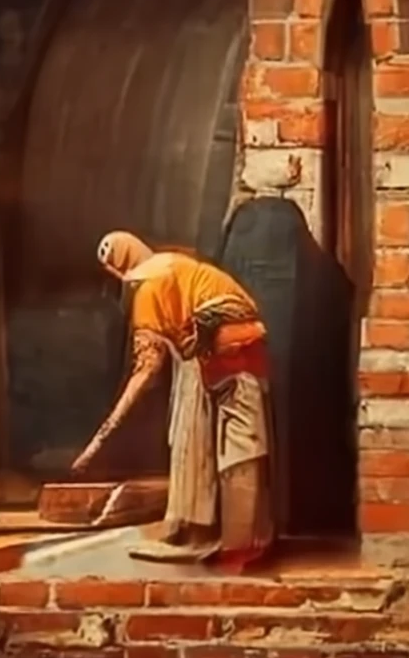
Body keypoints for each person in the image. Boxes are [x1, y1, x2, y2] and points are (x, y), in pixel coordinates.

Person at [71, 230, 275, 565]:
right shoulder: (176, 265)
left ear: (118, 269)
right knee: (242, 446)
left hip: (218, 359)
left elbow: (145, 370)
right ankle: (239, 540)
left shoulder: (150, 287)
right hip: (244, 356)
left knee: (194, 442)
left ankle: (198, 535)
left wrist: (98, 441)